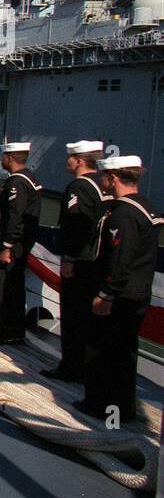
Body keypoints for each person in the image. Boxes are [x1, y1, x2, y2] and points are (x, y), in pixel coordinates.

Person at [77, 155, 159, 422]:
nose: (103, 181)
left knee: (102, 351)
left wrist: (106, 294)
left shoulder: (122, 215)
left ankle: (101, 406)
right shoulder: (143, 206)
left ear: (112, 178)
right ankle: (123, 408)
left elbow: (119, 258)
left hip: (119, 296)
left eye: (105, 177)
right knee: (124, 353)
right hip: (136, 293)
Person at [42, 140, 106, 382]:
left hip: (80, 263)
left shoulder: (79, 187)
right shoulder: (104, 184)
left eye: (70, 157)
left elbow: (78, 225)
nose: (67, 161)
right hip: (97, 261)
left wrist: (70, 258)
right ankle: (89, 368)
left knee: (73, 315)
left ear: (79, 160)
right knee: (90, 320)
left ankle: (70, 368)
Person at [0, 141, 42, 346]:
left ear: (10, 158)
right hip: (24, 241)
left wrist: (7, 246)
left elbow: (15, 215)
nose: (2, 160)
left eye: (4, 157)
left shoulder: (17, 182)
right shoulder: (30, 178)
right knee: (14, 285)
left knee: (8, 286)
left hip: (15, 243)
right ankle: (12, 330)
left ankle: (8, 331)